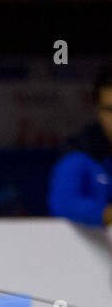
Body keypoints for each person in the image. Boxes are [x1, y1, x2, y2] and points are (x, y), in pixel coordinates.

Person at [48, 62, 112, 229]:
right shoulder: (81, 152)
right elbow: (63, 202)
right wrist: (107, 215)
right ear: (97, 110)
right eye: (110, 110)